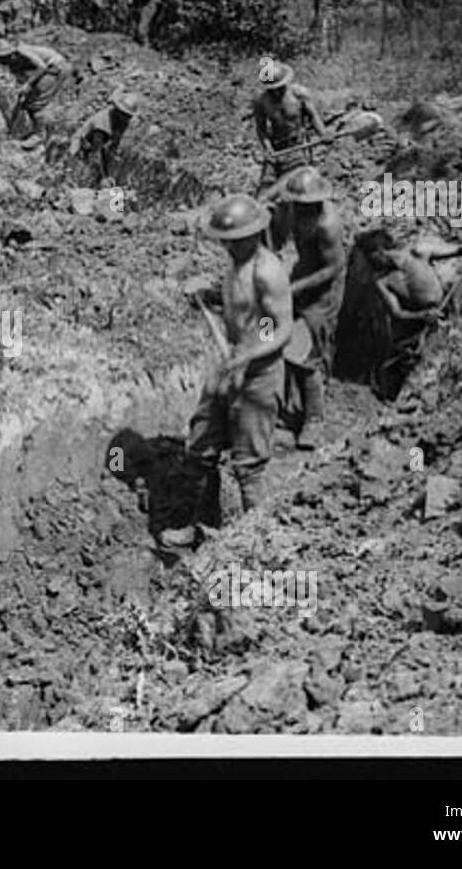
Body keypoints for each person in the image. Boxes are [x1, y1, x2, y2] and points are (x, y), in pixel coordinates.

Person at [168, 195, 293, 554]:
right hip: (230, 367)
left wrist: (250, 355)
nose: (229, 245)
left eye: (236, 239)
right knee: (201, 448)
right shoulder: (236, 263)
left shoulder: (267, 272)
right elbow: (243, 311)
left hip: (258, 376)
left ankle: (260, 547)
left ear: (254, 234)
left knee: (249, 468)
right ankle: (202, 527)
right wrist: (207, 296)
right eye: (226, 239)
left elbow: (278, 327)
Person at [278, 167, 346, 450]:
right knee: (284, 339)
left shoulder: (327, 224)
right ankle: (293, 402)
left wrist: (296, 288)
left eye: (305, 204)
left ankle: (314, 419)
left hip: (324, 290)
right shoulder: (296, 210)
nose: (300, 208)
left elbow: (334, 266)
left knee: (307, 355)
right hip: (303, 277)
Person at [253, 61, 328, 198]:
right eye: (272, 89)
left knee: (297, 185)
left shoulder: (299, 94)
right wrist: (267, 148)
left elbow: (313, 116)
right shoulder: (261, 101)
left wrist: (323, 134)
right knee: (265, 189)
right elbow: (261, 128)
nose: (276, 92)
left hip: (298, 146)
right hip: (276, 149)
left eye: (279, 88)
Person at [0, 37, 73, 142]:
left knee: (36, 103)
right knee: (28, 103)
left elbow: (42, 67)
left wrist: (28, 85)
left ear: (8, 55)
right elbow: (21, 82)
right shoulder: (12, 65)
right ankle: (36, 131)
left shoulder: (23, 52)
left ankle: (40, 135)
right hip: (49, 71)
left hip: (58, 67)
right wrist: (22, 96)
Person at [68, 90, 140, 186]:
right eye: (125, 115)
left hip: (99, 147)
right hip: (82, 147)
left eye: (129, 116)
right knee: (84, 177)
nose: (127, 119)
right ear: (118, 111)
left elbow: (111, 148)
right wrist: (104, 177)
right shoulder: (101, 124)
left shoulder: (121, 121)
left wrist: (109, 175)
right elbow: (96, 153)